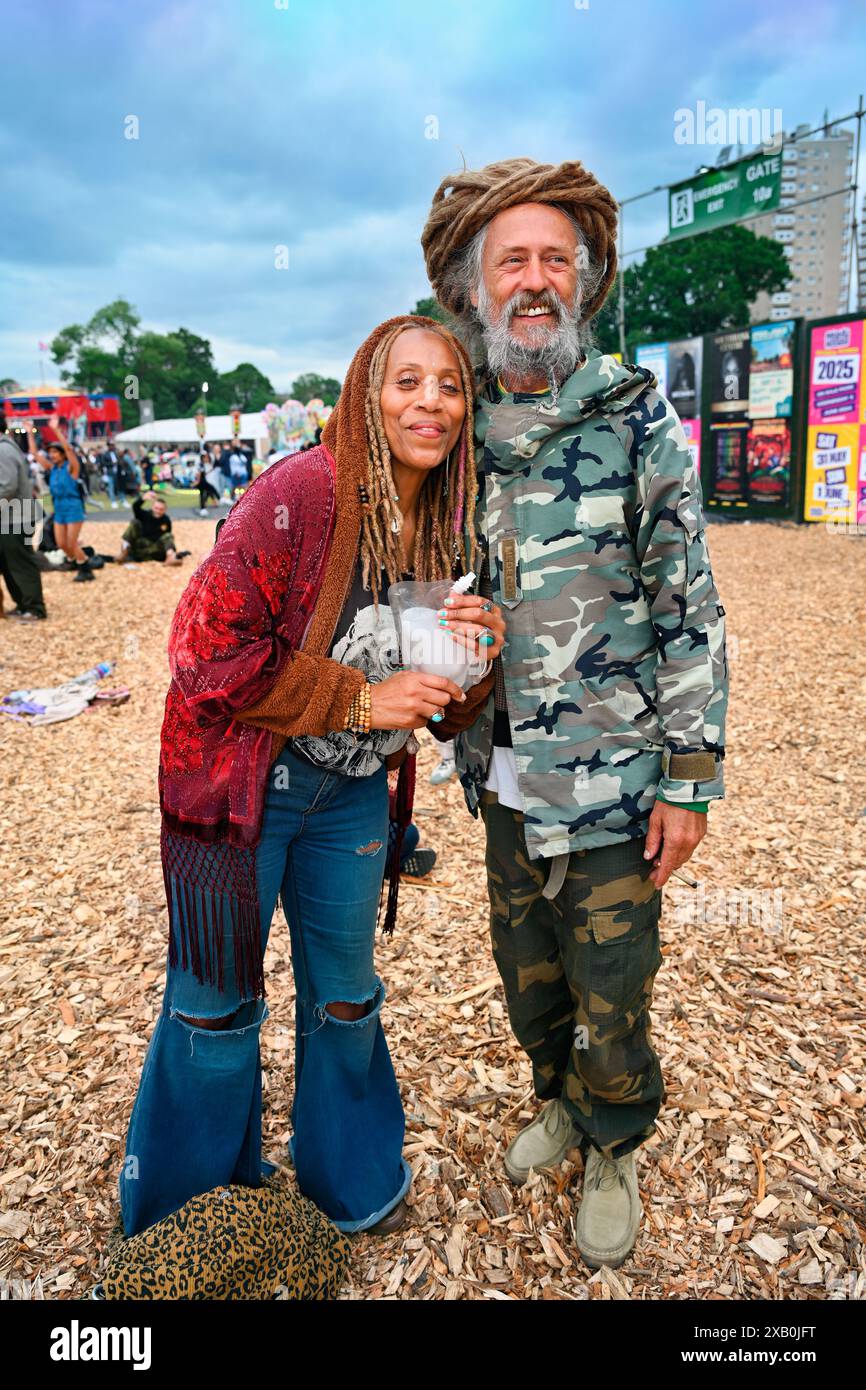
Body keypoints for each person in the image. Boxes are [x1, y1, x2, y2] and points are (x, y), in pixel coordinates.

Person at [117, 315, 505, 1242]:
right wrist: (358, 700)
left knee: (345, 998)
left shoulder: (450, 518)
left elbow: (432, 703)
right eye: (406, 382)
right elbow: (200, 652)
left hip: (355, 799)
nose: (431, 403)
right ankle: (189, 1219)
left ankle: (351, 1185)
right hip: (243, 788)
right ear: (365, 394)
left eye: (449, 385)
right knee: (214, 1008)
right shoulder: (301, 491)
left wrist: (471, 666)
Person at [422, 158, 729, 1269]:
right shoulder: (444, 421)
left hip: (613, 775)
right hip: (497, 770)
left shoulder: (633, 414)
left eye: (557, 258)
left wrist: (691, 778)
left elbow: (685, 603)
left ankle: (612, 1136)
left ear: (585, 279)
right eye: (513, 260)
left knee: (612, 977)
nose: (536, 280)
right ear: (471, 284)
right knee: (527, 969)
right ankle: (552, 1092)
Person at [26, 418, 95, 581]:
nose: (52, 455)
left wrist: (56, 430)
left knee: (71, 543)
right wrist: (29, 433)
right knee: (62, 544)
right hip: (59, 508)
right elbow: (35, 454)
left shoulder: (72, 468)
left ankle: (84, 567)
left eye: (55, 452)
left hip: (73, 507)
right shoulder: (52, 468)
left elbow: (69, 450)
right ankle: (80, 561)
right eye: (50, 452)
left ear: (62, 454)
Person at [0, 411, 47, 621]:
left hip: (14, 518)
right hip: (10, 517)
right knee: (10, 564)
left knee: (20, 563)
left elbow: (6, 487)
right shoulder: (7, 447)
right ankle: (23, 604)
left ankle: (35, 608)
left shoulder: (3, 450)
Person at [117, 490, 184, 565]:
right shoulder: (144, 515)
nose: (158, 511)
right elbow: (135, 507)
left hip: (155, 549)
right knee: (135, 522)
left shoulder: (166, 520)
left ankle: (170, 558)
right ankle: (124, 552)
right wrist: (143, 498)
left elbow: (167, 538)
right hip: (140, 548)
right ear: (152, 507)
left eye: (161, 509)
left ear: (165, 510)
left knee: (168, 536)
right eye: (156, 508)